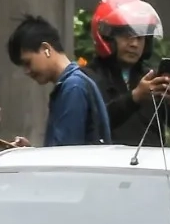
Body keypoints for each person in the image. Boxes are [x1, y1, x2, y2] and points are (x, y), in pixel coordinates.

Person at [81, 0, 170, 148]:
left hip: (148, 169)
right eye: (127, 36)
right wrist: (134, 98)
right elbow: (91, 124)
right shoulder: (86, 79)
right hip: (107, 168)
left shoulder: (151, 78)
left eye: (140, 38)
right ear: (107, 37)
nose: (134, 44)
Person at [5, 15, 110, 147]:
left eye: (27, 63)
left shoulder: (73, 87)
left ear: (46, 49)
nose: (27, 71)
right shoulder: (74, 83)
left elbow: (63, 156)